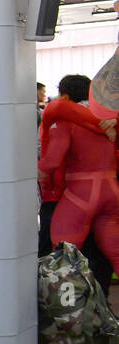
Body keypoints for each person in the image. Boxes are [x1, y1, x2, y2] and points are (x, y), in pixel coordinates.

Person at [39, 74, 119, 285]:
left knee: (64, 256)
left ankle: (72, 311)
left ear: (65, 97)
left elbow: (51, 162)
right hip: (112, 191)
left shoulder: (64, 121)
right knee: (116, 253)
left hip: (80, 194)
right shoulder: (107, 122)